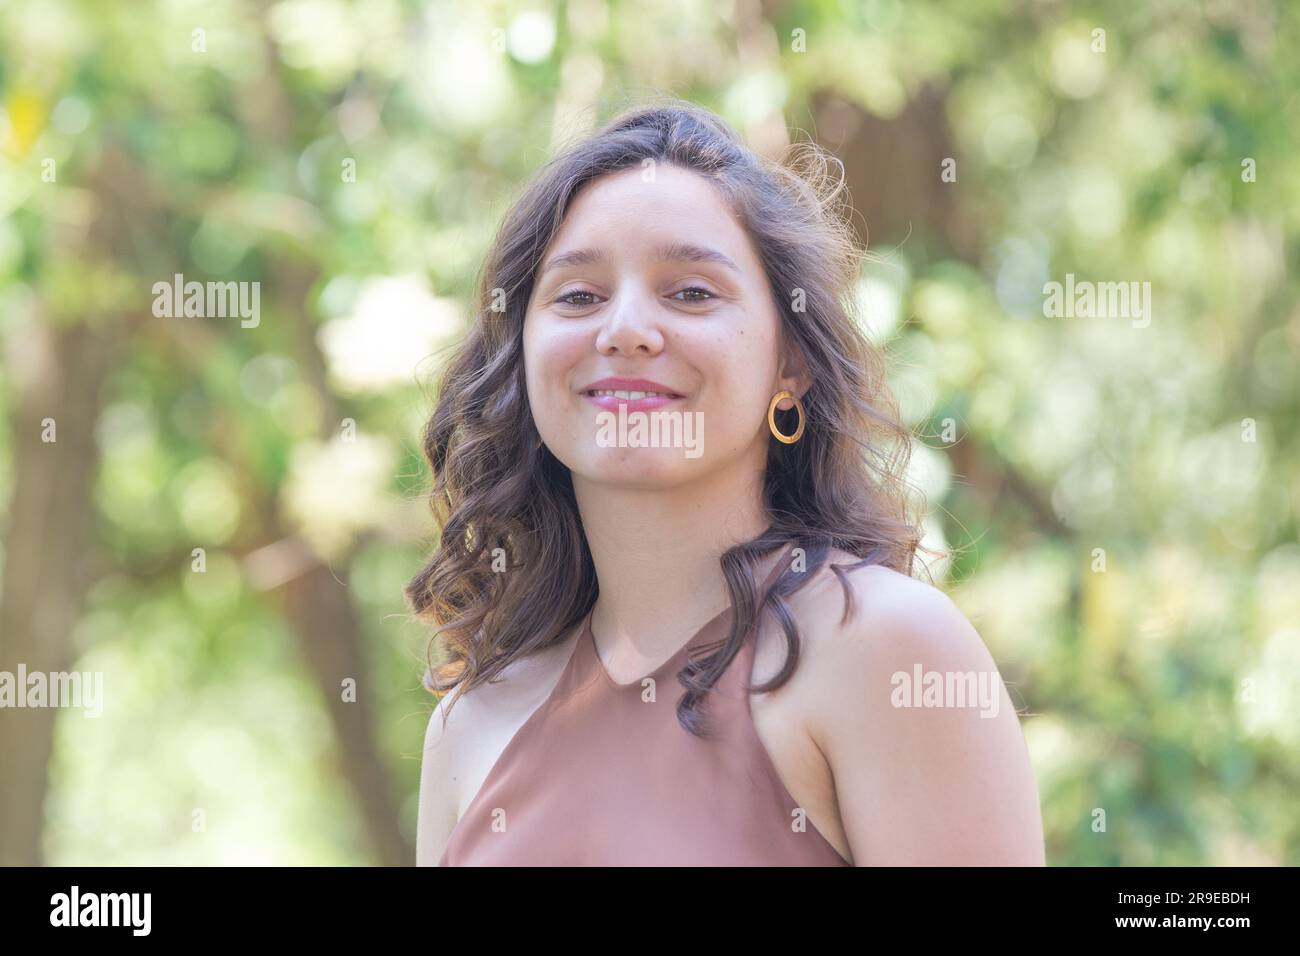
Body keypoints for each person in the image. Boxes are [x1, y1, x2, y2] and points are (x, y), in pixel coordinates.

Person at [408, 97, 1045, 866]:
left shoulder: (891, 652)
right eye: (578, 296)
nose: (626, 329)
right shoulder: (470, 725)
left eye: (691, 292)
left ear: (790, 365)